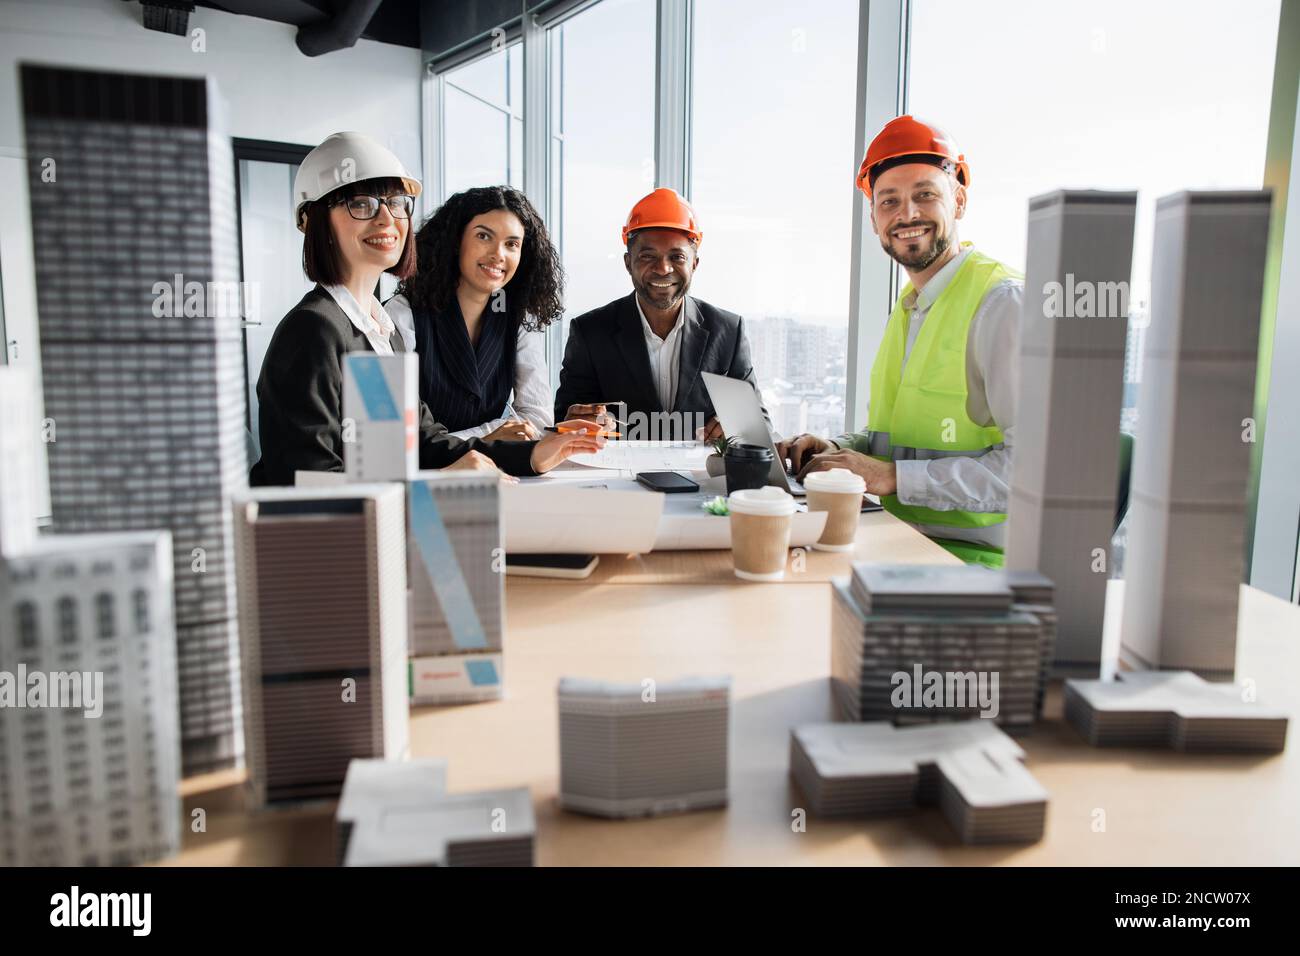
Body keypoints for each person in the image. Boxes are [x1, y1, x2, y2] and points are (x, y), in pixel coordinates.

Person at [248, 132, 601, 487]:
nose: (387, 219)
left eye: (396, 202)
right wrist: (440, 480)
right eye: (361, 203)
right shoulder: (314, 330)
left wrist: (533, 455)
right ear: (313, 220)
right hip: (319, 541)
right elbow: (305, 484)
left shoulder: (375, 325)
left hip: (379, 529)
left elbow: (420, 443)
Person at [779, 116, 1022, 567]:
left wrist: (891, 477)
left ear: (960, 200)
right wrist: (836, 448)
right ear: (874, 220)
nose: (906, 214)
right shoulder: (913, 306)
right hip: (893, 543)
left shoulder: (1001, 305)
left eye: (925, 195)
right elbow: (899, 444)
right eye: (889, 201)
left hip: (972, 566)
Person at [553, 187, 770, 442]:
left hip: (699, 478)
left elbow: (758, 424)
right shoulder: (590, 331)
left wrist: (737, 426)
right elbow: (565, 419)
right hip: (619, 479)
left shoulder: (729, 331)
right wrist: (585, 423)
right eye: (647, 256)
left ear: (694, 264)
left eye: (677, 256)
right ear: (628, 263)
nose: (663, 268)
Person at [387, 186, 558, 443]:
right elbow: (400, 434)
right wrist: (489, 436)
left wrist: (476, 439)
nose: (498, 255)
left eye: (512, 244)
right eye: (484, 236)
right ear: (456, 241)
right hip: (424, 475)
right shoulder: (402, 315)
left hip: (497, 472)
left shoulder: (519, 319)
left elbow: (538, 419)